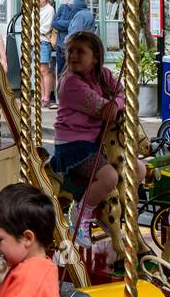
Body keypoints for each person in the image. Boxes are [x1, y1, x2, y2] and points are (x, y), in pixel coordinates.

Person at [53, 30, 141, 247]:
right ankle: (82, 213)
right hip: (74, 146)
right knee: (110, 176)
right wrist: (114, 103)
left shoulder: (104, 75)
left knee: (138, 169)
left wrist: (117, 102)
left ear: (95, 58)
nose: (73, 55)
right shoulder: (70, 83)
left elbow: (123, 93)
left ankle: (108, 209)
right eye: (70, 51)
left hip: (96, 142)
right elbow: (105, 111)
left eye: (80, 52)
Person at [37, 0, 56, 107]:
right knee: (38, 70)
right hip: (36, 40)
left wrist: (35, 30)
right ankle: (42, 95)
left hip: (44, 42)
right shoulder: (37, 9)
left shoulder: (50, 10)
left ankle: (47, 97)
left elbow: (45, 28)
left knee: (45, 70)